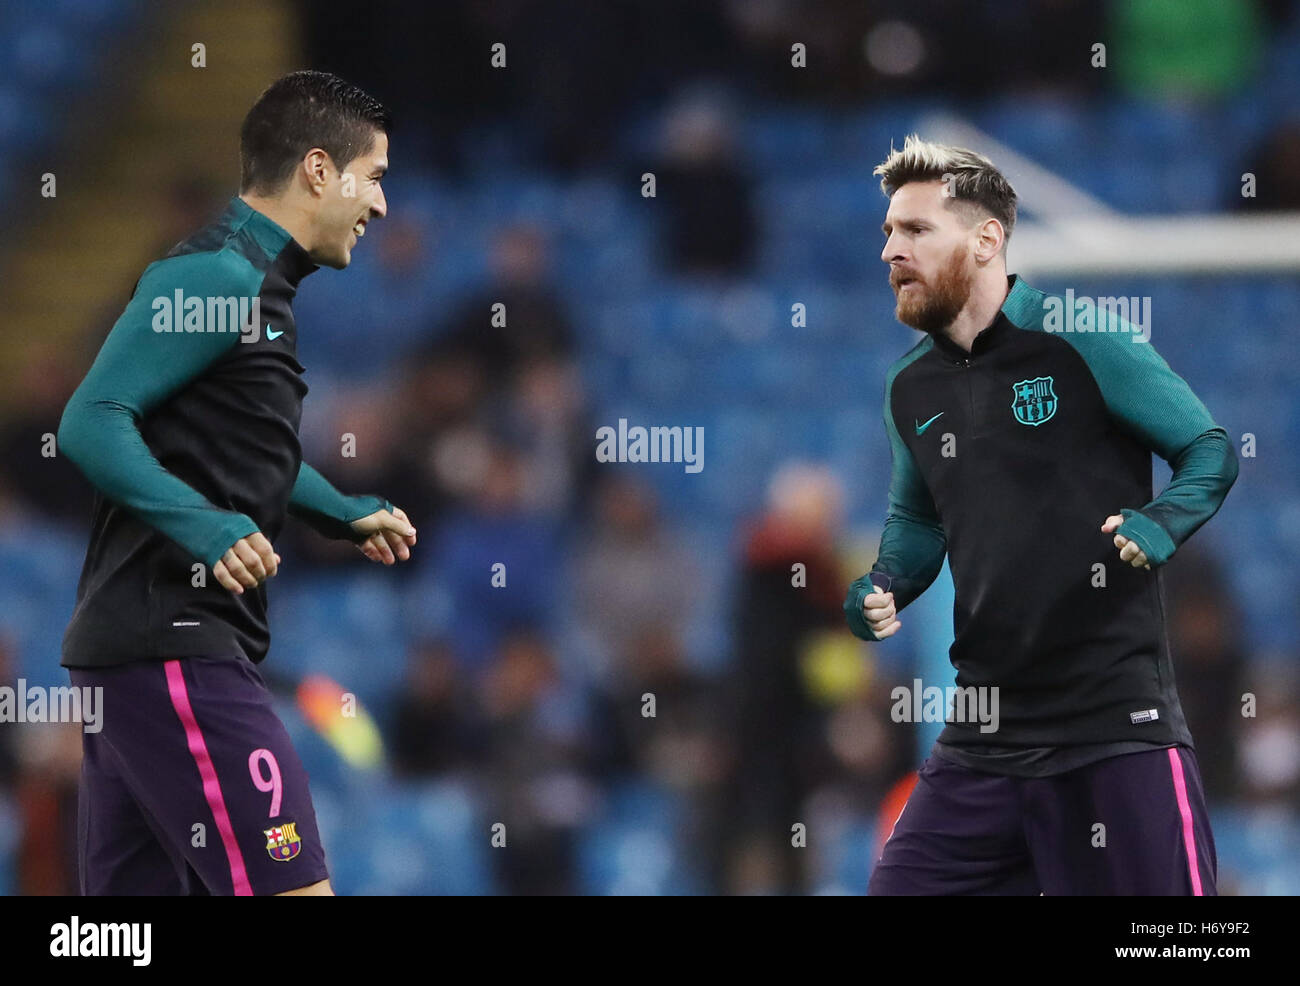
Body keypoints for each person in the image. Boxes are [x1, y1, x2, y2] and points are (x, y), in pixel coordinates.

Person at [848, 135, 1238, 895]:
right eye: (889, 232)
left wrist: (1161, 522)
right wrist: (887, 579)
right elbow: (920, 521)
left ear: (986, 238)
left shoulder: (1081, 335)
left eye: (917, 229)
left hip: (1113, 727)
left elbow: (1209, 449)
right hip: (983, 737)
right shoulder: (909, 388)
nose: (892, 249)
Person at [57, 71, 417, 896]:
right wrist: (209, 528)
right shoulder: (218, 277)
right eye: (377, 176)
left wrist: (341, 512)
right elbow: (91, 419)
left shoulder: (258, 285)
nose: (383, 204)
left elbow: (235, 452)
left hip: (141, 657)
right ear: (319, 171)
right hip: (177, 648)